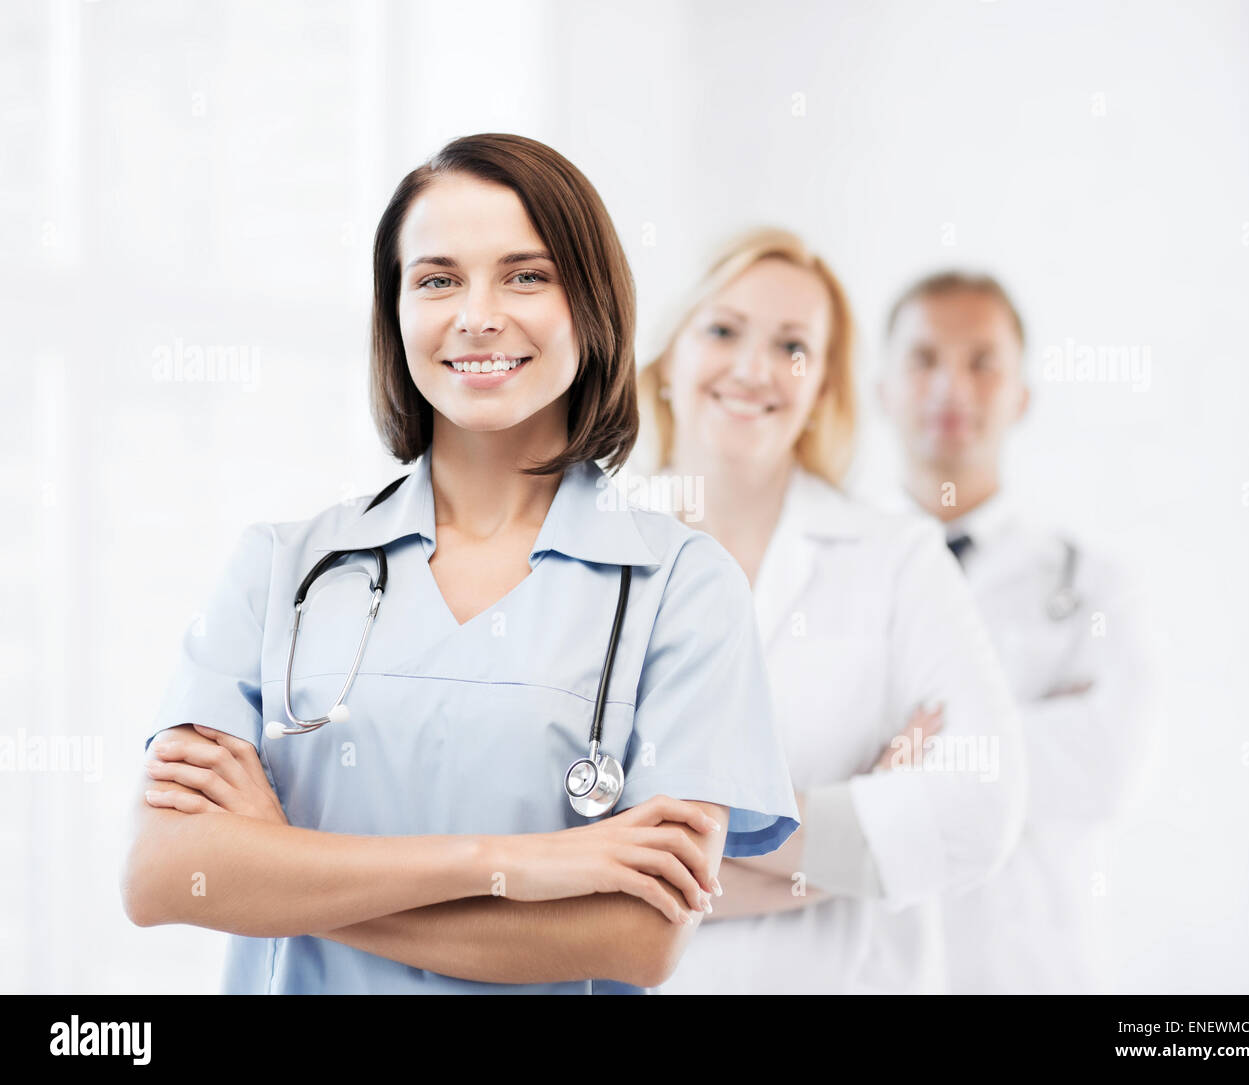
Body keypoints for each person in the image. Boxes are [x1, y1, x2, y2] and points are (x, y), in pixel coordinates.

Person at [119, 134, 800, 995]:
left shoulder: (684, 590)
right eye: (438, 279)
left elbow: (636, 939)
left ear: (592, 306)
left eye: (526, 275)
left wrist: (283, 869)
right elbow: (164, 873)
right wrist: (522, 862)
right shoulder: (280, 568)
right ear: (397, 312)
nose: (478, 314)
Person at [632, 227, 1026, 995]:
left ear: (823, 389)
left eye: (792, 346)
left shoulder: (897, 557)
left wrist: (677, 830)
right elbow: (546, 840)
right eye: (722, 330)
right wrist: (846, 843)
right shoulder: (587, 552)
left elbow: (983, 805)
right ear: (668, 360)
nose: (755, 368)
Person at [876, 270, 1159, 994]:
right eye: (924, 358)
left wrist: (906, 750)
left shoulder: (1090, 583)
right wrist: (1015, 734)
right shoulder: (831, 569)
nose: (951, 388)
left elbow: (1101, 770)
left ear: (1022, 395)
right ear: (881, 387)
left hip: (1027, 966)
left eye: (982, 361)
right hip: (869, 962)